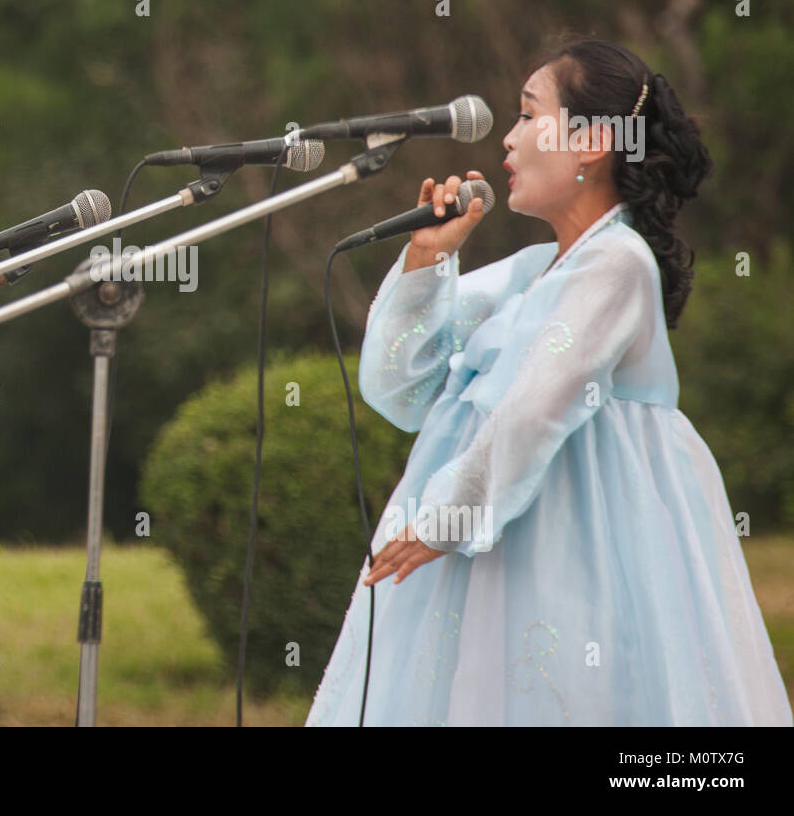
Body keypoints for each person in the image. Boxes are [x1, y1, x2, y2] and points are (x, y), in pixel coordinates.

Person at [306, 40, 792, 726]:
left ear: (591, 143)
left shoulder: (618, 264)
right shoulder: (530, 269)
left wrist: (447, 512)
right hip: (488, 553)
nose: (507, 137)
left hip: (575, 557)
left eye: (528, 114)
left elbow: (536, 408)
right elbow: (401, 385)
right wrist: (425, 263)